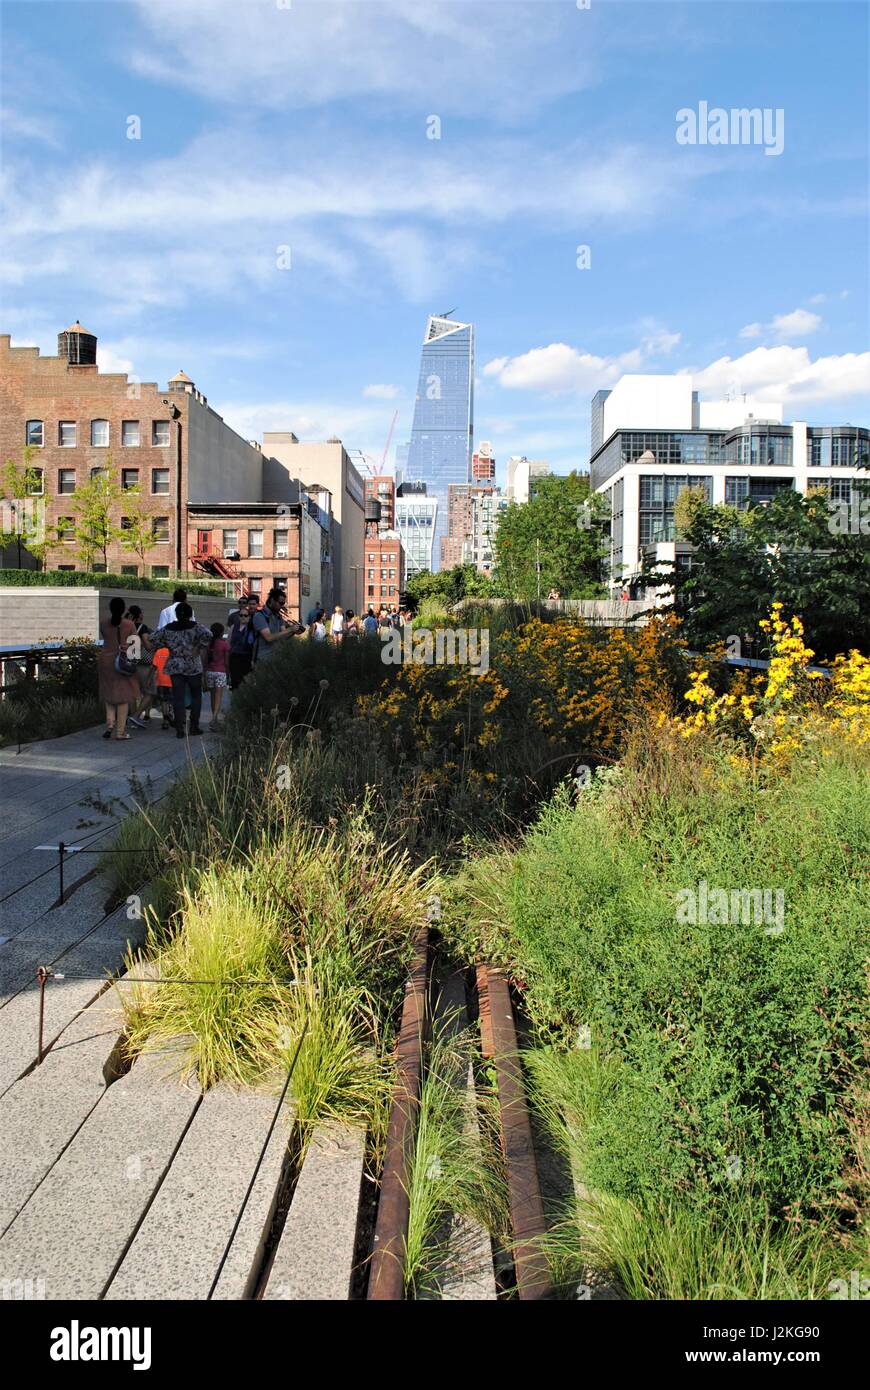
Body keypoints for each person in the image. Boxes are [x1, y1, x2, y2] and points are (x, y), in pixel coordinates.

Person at [148, 602, 213, 738]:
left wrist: (166, 644)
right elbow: (209, 634)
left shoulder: (168, 628)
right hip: (193, 665)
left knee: (178, 697)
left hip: (175, 664)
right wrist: (198, 647)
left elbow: (152, 637)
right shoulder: (196, 627)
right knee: (196, 696)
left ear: (176, 614)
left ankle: (179, 729)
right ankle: (194, 727)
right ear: (190, 614)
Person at [97, 597, 140, 740]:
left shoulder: (103, 624)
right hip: (122, 662)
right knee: (123, 697)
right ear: (123, 609)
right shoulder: (129, 625)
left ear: (110, 609)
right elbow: (135, 643)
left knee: (109, 694)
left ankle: (110, 724)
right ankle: (120, 732)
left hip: (106, 661)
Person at [252, 588, 303, 661]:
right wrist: (290, 629)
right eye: (280, 603)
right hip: (263, 659)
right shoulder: (260, 616)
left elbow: (283, 636)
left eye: (283, 603)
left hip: (276, 658)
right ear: (272, 600)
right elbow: (269, 638)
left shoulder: (278, 616)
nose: (282, 606)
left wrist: (293, 632)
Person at [125, 604, 153, 728]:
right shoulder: (143, 627)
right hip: (142, 664)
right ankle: (136, 715)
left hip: (126, 663)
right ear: (139, 615)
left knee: (131, 692)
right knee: (149, 691)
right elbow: (147, 646)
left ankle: (131, 717)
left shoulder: (123, 625)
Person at [205, 622, 230, 731]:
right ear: (221, 632)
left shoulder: (209, 644)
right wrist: (228, 674)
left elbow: (205, 659)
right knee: (218, 697)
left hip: (210, 672)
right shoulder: (224, 644)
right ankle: (214, 719)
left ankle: (214, 719)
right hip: (220, 672)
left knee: (212, 696)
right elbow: (227, 661)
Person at [228, 598, 257, 689]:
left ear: (249, 617)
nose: (243, 617)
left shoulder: (252, 628)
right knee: (235, 682)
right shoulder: (234, 627)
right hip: (235, 656)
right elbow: (229, 642)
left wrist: (253, 659)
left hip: (247, 657)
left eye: (245, 615)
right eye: (241, 615)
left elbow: (255, 645)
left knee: (246, 682)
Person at [152, 644, 174, 728]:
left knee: (164, 701)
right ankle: (171, 715)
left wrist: (150, 678)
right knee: (172, 700)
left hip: (161, 681)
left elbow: (154, 666)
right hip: (172, 681)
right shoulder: (173, 652)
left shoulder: (158, 651)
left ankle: (165, 721)